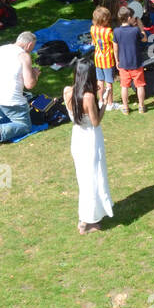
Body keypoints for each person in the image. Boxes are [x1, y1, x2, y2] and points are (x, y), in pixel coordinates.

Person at [64, 57, 112, 233]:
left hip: (77, 137)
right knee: (93, 178)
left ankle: (88, 216)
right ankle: (89, 220)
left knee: (83, 178)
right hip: (91, 139)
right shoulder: (89, 97)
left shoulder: (67, 91)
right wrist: (104, 103)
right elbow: (96, 121)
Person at [0, 32, 41, 147]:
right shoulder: (24, 56)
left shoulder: (0, 49)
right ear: (29, 44)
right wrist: (35, 74)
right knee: (24, 125)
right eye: (32, 47)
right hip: (11, 101)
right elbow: (29, 84)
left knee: (3, 117)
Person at [113, 7, 147, 114]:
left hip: (123, 63)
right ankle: (141, 106)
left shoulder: (116, 31)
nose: (133, 19)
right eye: (132, 17)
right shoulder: (135, 30)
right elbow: (144, 39)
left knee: (124, 86)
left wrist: (116, 60)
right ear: (128, 18)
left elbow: (115, 47)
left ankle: (126, 108)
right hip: (136, 63)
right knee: (140, 85)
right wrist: (141, 27)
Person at [89, 6, 118, 108]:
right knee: (109, 82)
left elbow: (93, 41)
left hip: (97, 58)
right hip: (108, 59)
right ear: (104, 20)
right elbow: (114, 42)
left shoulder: (92, 29)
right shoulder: (109, 31)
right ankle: (110, 103)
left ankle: (100, 101)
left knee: (100, 81)